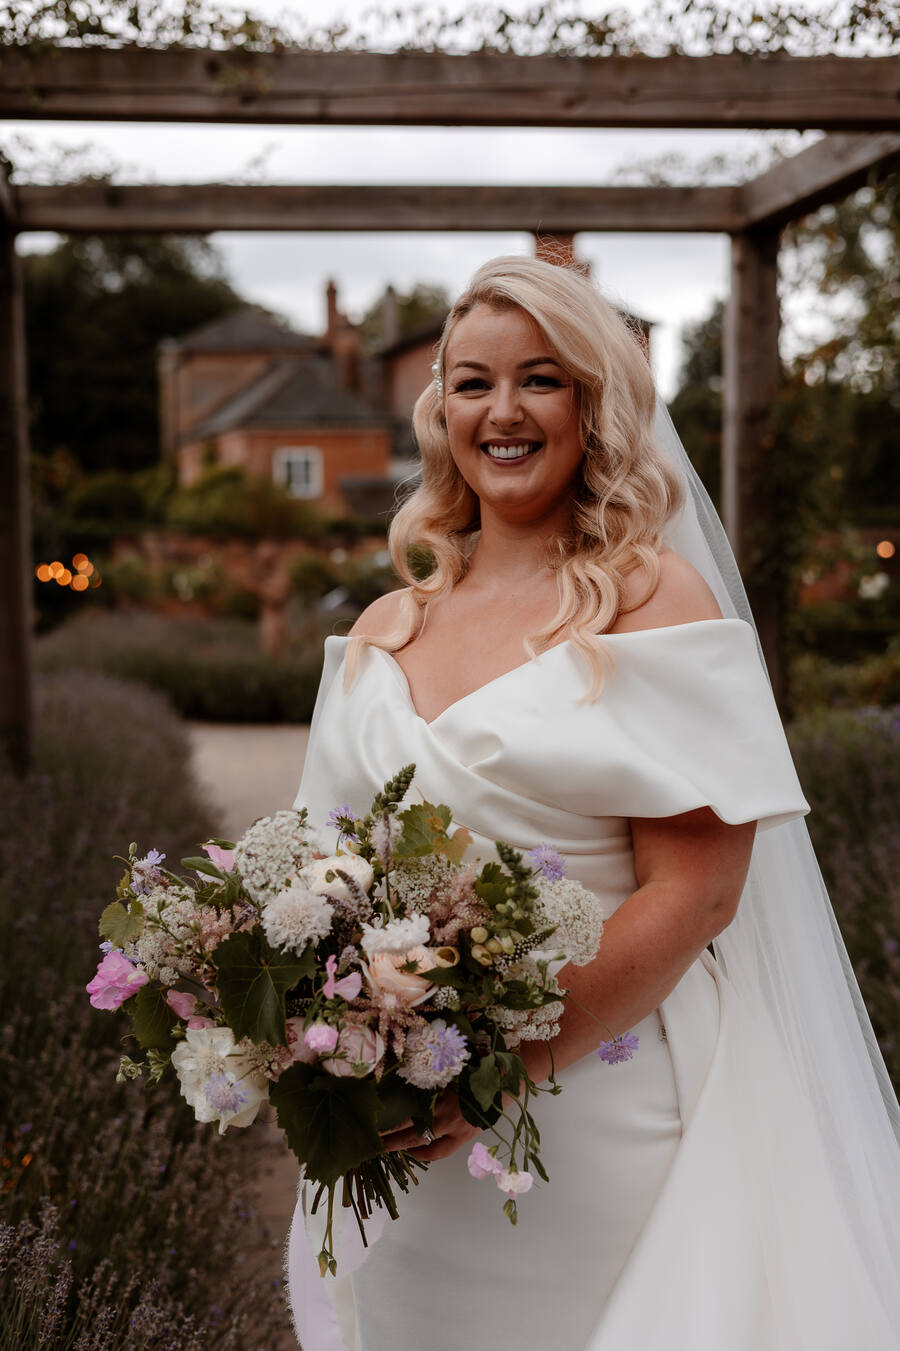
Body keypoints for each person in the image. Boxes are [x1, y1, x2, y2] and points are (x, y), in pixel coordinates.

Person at [286, 256, 900, 1351]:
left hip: (596, 1121)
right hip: (404, 1137)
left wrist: (499, 1067)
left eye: (543, 379)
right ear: (441, 410)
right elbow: (317, 870)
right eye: (473, 383)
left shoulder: (653, 599)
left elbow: (701, 892)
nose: (504, 411)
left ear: (593, 402)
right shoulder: (387, 623)